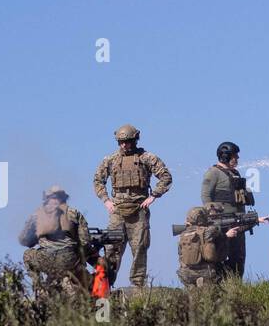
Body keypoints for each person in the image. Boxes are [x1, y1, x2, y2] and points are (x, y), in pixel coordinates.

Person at [92, 124, 172, 288]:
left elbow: (166, 177)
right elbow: (98, 180)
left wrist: (154, 196)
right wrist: (106, 200)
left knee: (140, 249)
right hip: (117, 211)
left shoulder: (146, 158)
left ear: (134, 140)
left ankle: (137, 286)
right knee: (112, 248)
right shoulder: (111, 160)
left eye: (127, 141)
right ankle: (106, 285)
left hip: (138, 210)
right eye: (121, 142)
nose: (124, 145)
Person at [200, 141, 269, 278]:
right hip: (222, 223)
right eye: (234, 156)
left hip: (238, 222)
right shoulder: (213, 173)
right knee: (221, 256)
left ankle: (235, 285)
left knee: (238, 258)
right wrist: (213, 217)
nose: (237, 159)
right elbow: (205, 196)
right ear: (225, 156)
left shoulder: (235, 173)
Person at [18, 185, 91, 294]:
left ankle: (39, 288)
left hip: (46, 259)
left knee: (27, 254)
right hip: (69, 260)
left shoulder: (36, 215)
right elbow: (85, 241)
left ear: (46, 198)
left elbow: (23, 239)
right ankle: (70, 283)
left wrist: (37, 238)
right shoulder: (74, 213)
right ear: (64, 198)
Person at [176, 206, 242, 288]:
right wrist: (227, 235)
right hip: (205, 273)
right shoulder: (210, 231)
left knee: (195, 295)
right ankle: (203, 282)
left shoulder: (183, 235)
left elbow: (180, 256)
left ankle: (192, 287)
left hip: (185, 274)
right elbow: (219, 250)